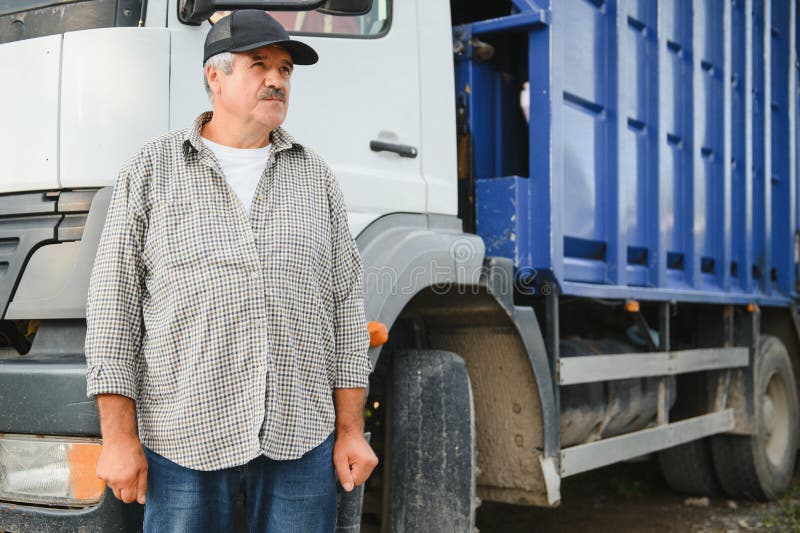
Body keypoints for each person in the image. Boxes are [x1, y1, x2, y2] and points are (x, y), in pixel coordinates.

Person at [84, 10, 377, 532]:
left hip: (301, 437)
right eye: (259, 65)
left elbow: (345, 311)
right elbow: (113, 309)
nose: (276, 80)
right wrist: (118, 438)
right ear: (213, 77)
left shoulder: (316, 178)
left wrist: (351, 431)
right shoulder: (151, 171)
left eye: (285, 69)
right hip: (184, 437)